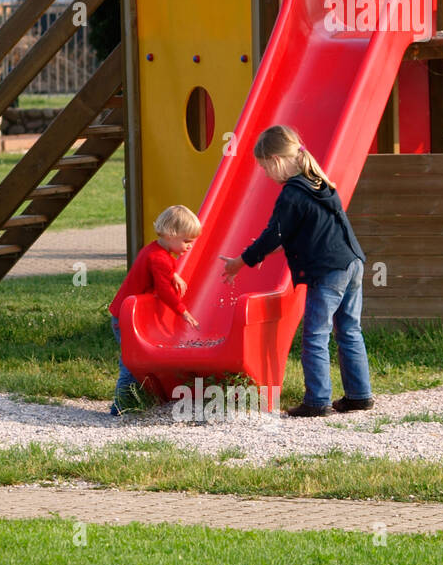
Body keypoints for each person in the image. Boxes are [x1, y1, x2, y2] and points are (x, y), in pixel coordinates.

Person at [220, 125, 373, 417]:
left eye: (265, 167)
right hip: (352, 263)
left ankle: (317, 401)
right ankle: (359, 395)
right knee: (350, 330)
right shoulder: (317, 182)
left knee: (316, 334)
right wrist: (269, 250)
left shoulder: (291, 192)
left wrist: (241, 261)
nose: (265, 174)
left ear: (276, 160)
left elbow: (272, 233)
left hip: (329, 270)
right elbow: (305, 231)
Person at [107, 205, 201, 415]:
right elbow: (165, 291)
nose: (189, 246)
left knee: (136, 362)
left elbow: (160, 267)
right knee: (131, 364)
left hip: (123, 314)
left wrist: (173, 274)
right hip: (125, 318)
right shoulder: (159, 258)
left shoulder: (154, 249)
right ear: (170, 234)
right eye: (186, 241)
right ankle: (120, 407)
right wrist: (182, 311)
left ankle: (138, 400)